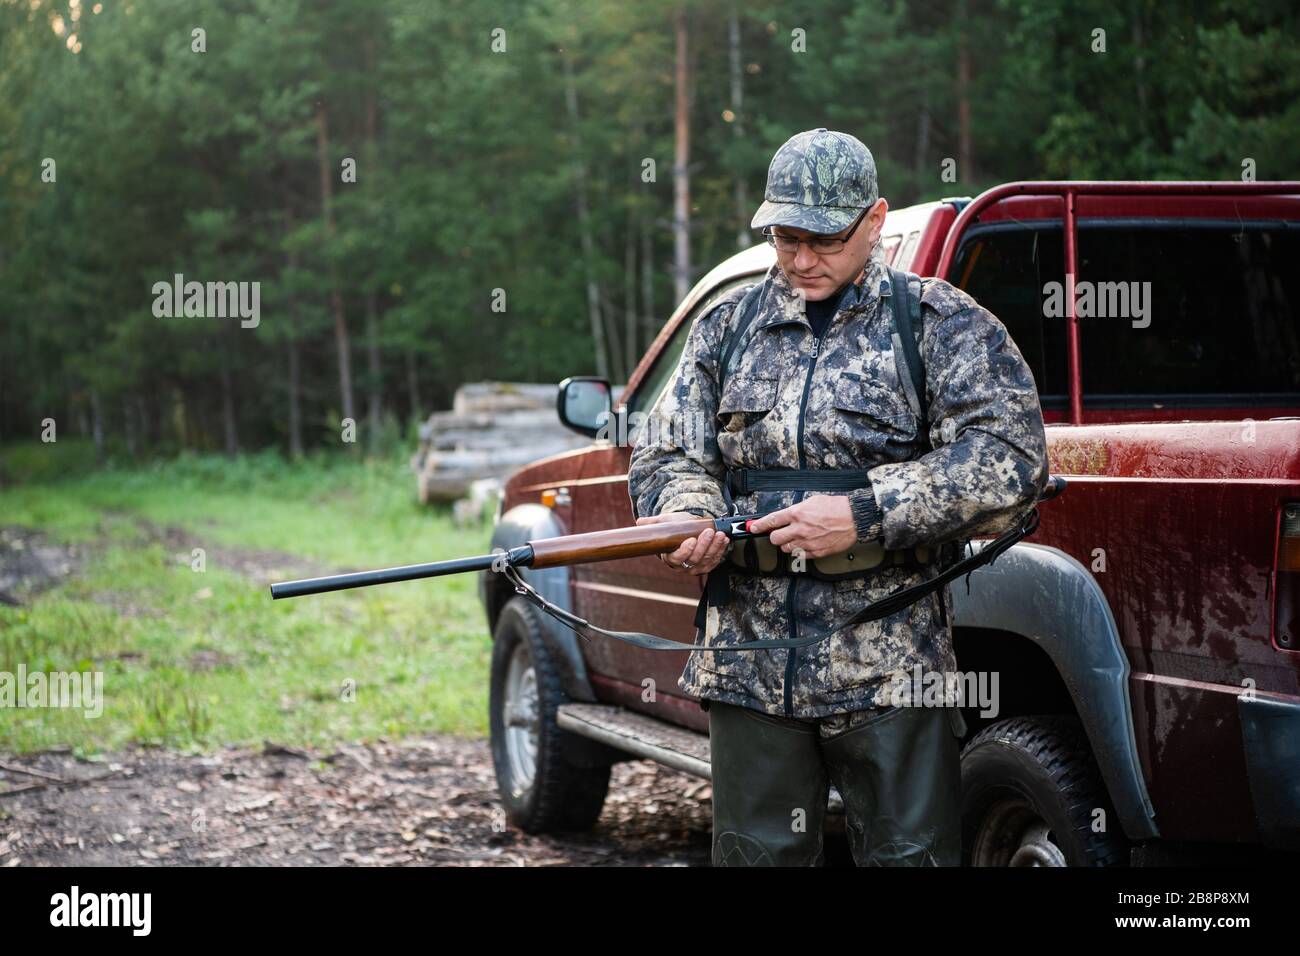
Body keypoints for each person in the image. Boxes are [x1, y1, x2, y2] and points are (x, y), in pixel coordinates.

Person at [626, 128, 1049, 866]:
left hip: (890, 665)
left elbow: (1009, 460)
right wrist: (688, 512)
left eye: (821, 238)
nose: (798, 258)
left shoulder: (938, 326)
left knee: (910, 857)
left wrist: (864, 513)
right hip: (749, 663)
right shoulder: (727, 329)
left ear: (875, 220)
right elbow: (668, 446)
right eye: (784, 237)